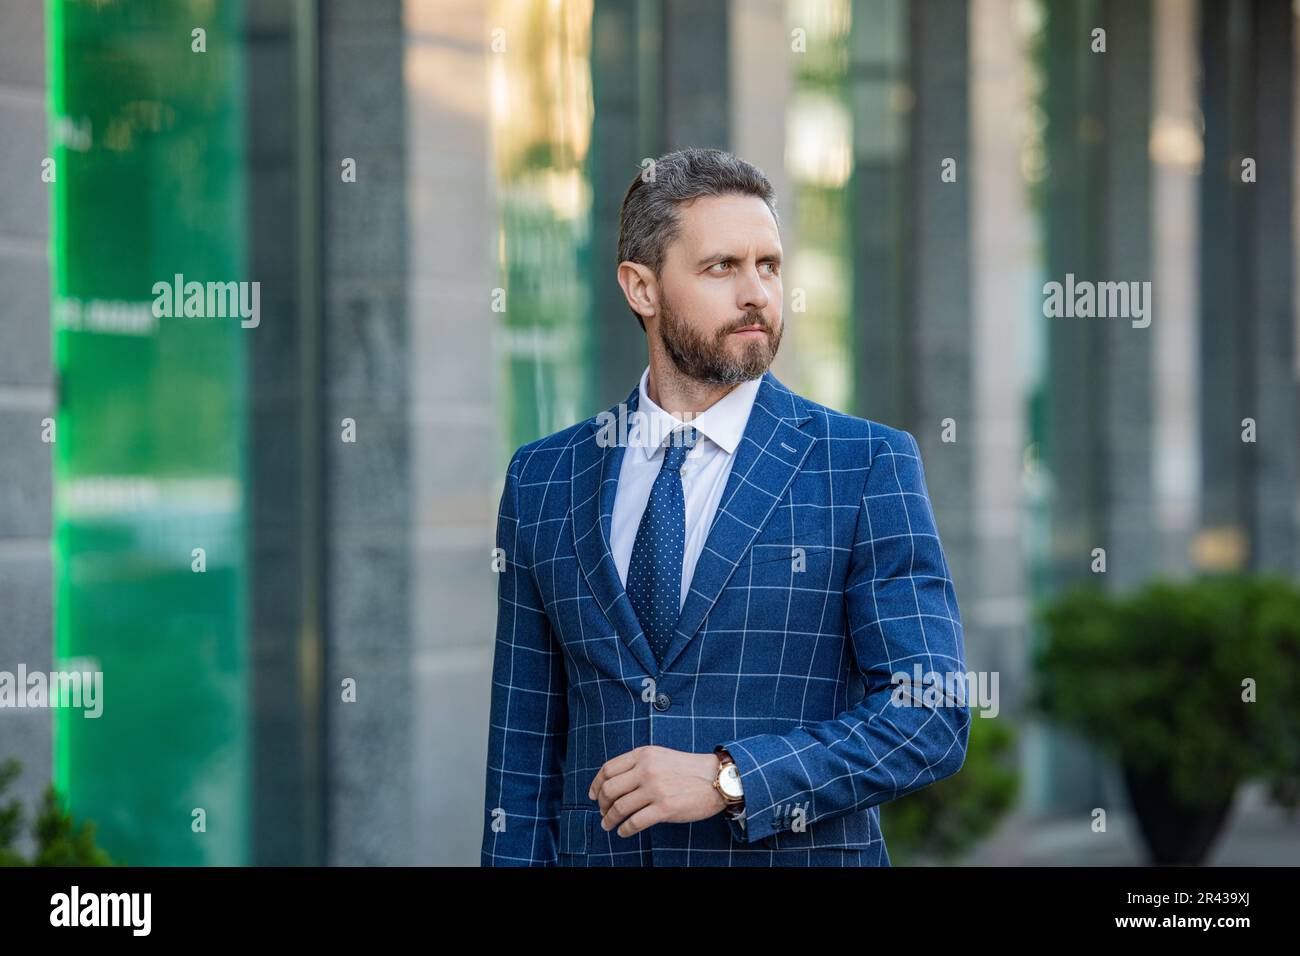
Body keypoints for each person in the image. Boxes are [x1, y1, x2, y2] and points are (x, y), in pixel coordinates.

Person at [482, 147, 970, 866]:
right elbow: (521, 756)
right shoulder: (544, 479)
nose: (758, 295)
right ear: (641, 288)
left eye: (768, 266)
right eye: (722, 268)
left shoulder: (863, 464)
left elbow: (931, 715)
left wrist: (730, 778)